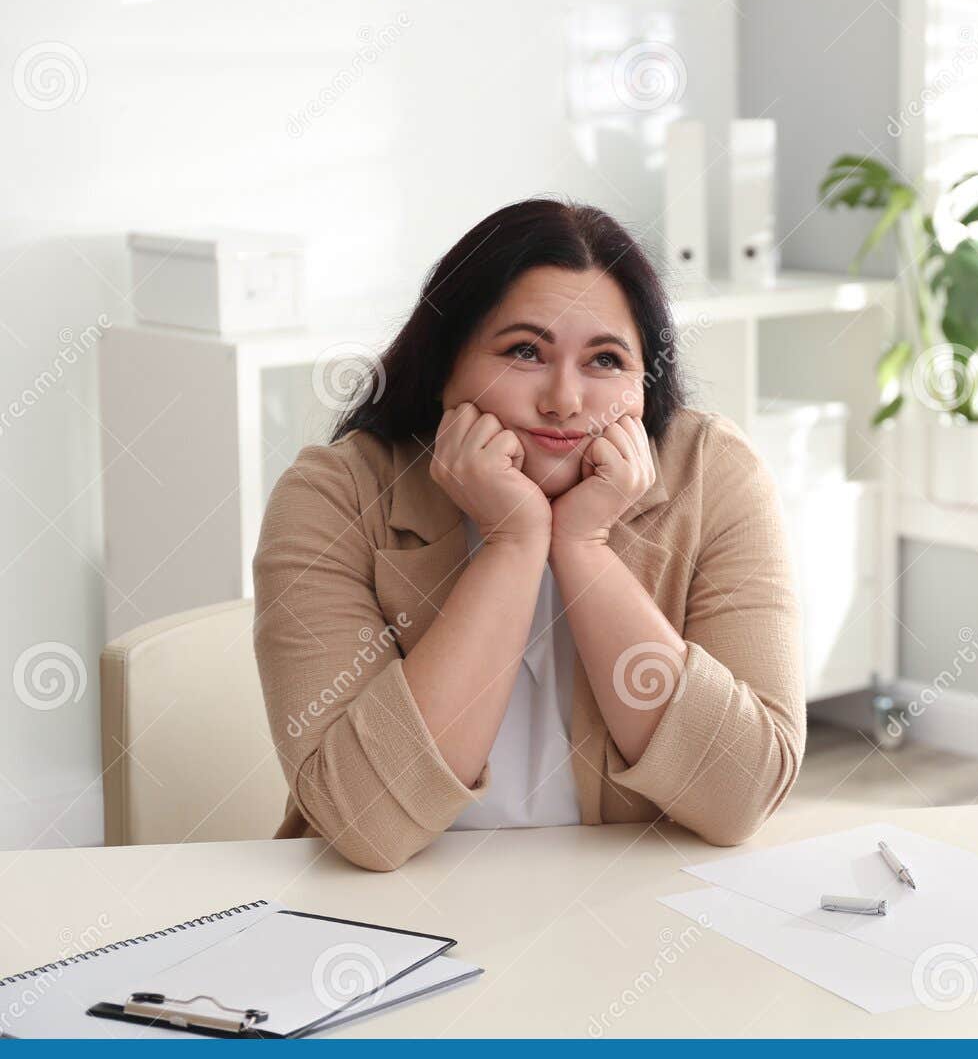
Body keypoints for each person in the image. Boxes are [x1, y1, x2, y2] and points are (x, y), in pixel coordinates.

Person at [251, 198, 806, 871]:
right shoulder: (330, 496)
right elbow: (367, 825)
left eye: (605, 361)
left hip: (626, 917)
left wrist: (583, 547)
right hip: (381, 928)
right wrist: (514, 544)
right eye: (524, 351)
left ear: (643, 383)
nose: (565, 400)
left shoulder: (711, 473)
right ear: (445, 361)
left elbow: (739, 796)